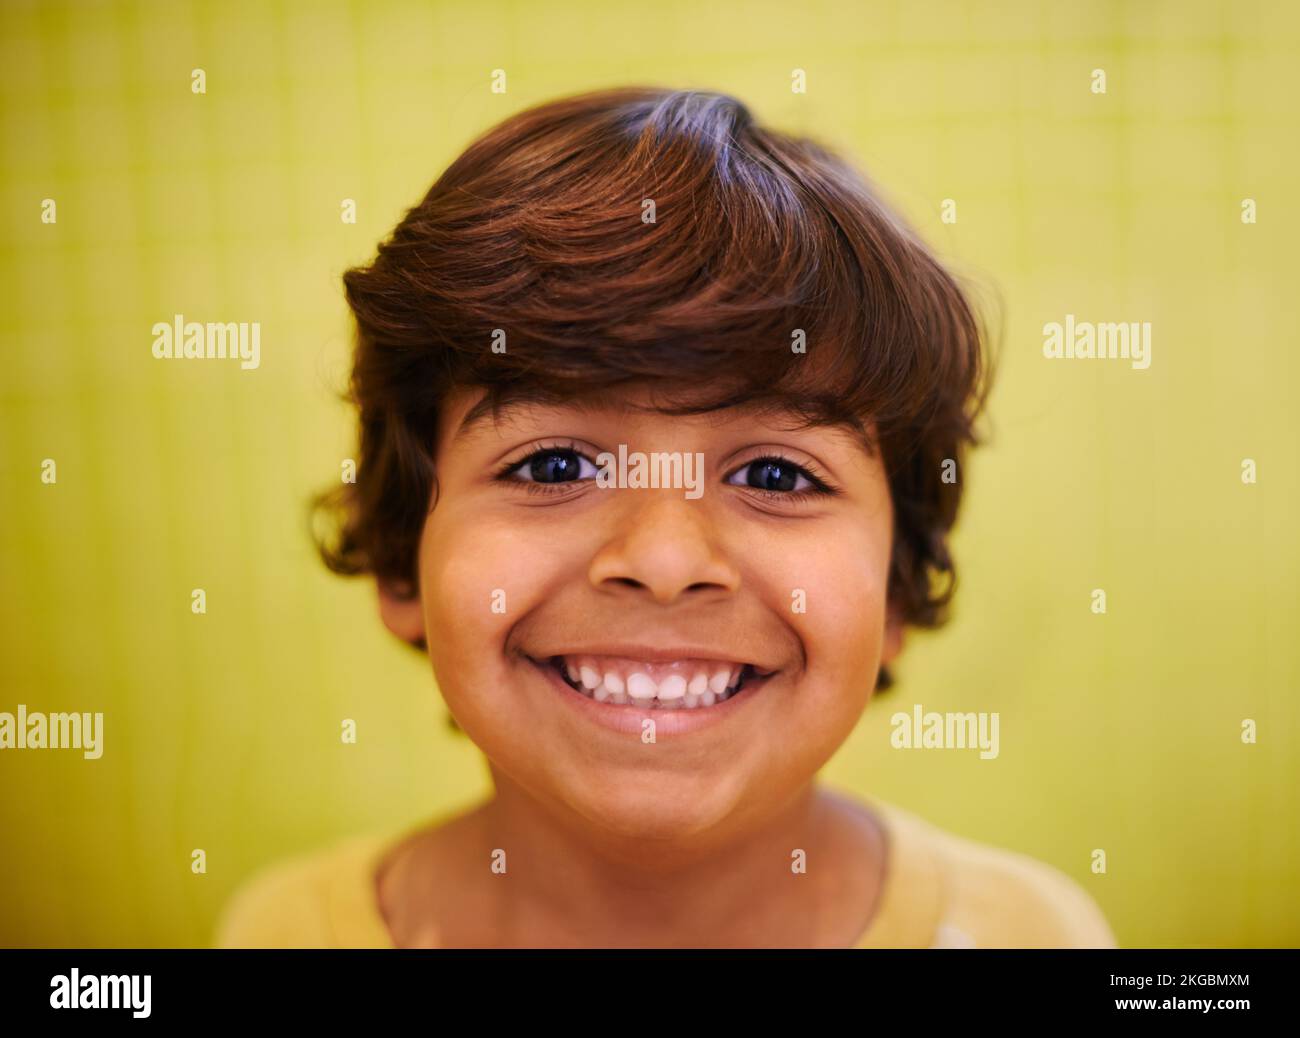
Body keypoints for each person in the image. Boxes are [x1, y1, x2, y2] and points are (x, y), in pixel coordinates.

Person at [214, 86, 1115, 949]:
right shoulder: (278, 934)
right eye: (554, 464)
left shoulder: (1034, 936)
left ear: (896, 590)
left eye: (775, 473)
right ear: (406, 557)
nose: (664, 558)